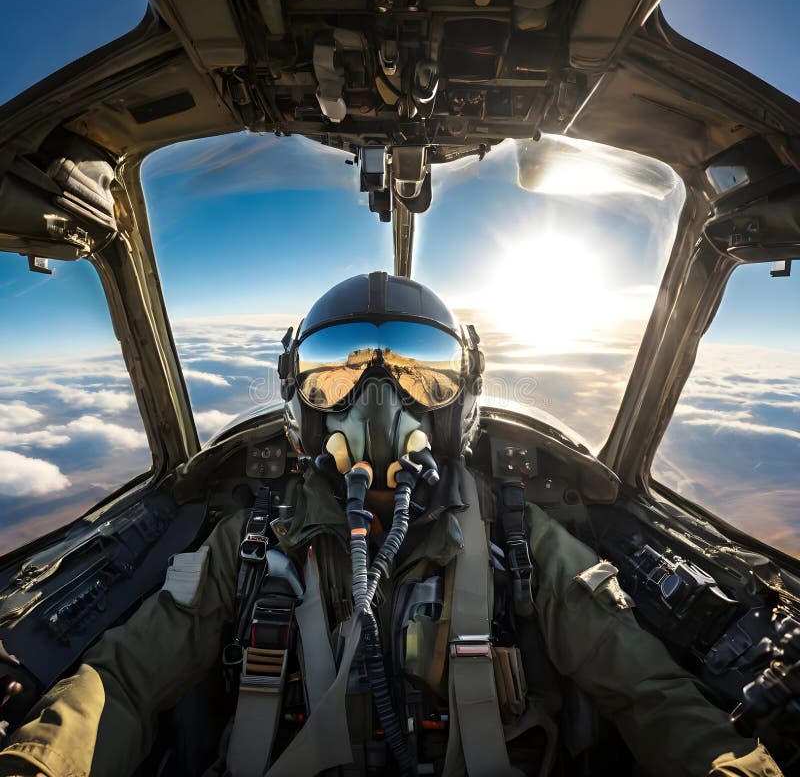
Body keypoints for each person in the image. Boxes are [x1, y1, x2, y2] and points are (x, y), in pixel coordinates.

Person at [0, 273, 782, 777]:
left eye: (419, 376)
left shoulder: (518, 535)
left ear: (462, 398)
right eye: (339, 372)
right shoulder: (253, 534)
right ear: (300, 398)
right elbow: (127, 679)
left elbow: (645, 690)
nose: (381, 400)